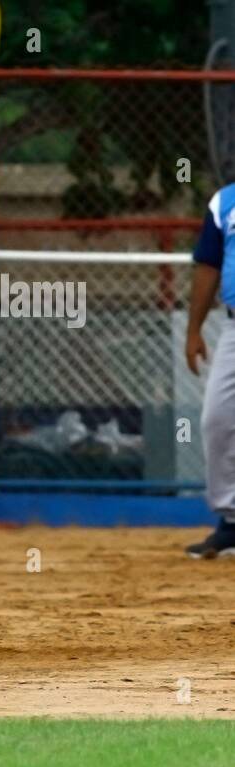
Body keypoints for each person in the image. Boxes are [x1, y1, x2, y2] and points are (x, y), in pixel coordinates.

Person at [184, 184, 235, 557]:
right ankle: (233, 521)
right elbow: (209, 265)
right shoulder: (225, 201)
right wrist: (193, 330)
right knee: (216, 420)